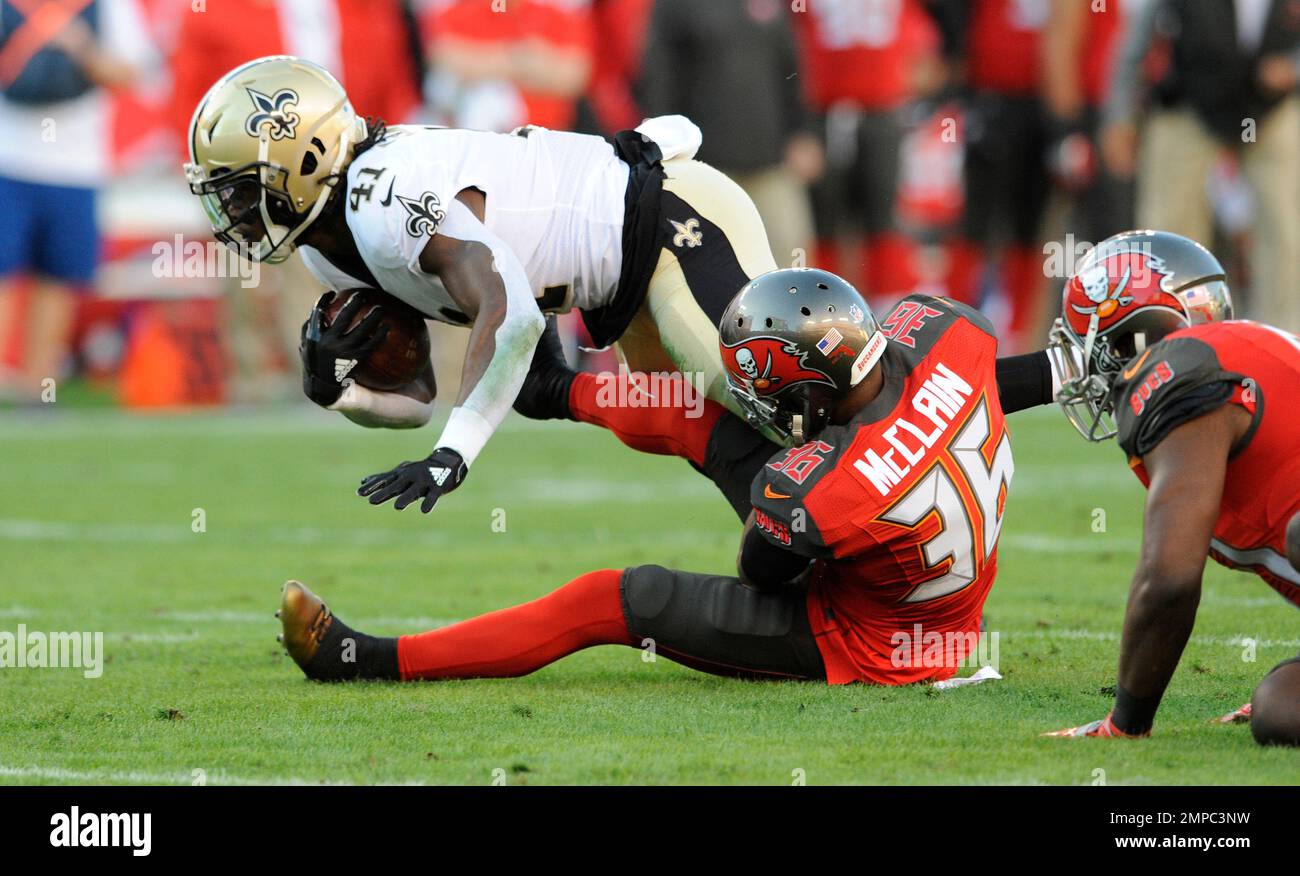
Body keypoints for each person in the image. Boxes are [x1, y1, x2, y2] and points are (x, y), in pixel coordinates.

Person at [277, 268, 1060, 687]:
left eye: (778, 392)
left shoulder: (829, 486)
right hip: (914, 566)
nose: (769, 404)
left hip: (872, 642)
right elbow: (991, 386)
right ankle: (554, 390)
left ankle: (371, 659)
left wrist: (791, 479)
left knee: (613, 598)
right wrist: (1068, 369)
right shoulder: (954, 337)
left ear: (816, 388)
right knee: (703, 418)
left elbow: (763, 566)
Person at [184, 55, 783, 514]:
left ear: (308, 159)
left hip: (669, 219)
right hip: (620, 281)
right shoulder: (329, 250)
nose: (234, 210)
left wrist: (454, 455)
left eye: (242, 188)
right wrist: (342, 395)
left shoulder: (382, 197)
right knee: (702, 434)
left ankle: (868, 487)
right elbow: (419, 397)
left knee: (767, 395)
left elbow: (512, 312)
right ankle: (795, 558)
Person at [1043, 230, 1299, 746]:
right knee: (1283, 710)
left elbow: (1170, 580)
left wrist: (1126, 722)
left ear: (1136, 335)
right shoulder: (1236, 357)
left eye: (1095, 340)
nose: (1088, 365)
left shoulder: (1177, 372)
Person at [1101, 0, 1300, 331]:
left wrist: (1293, 67)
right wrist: (1120, 116)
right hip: (1189, 100)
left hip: (1268, 108)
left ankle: (1286, 344)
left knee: (1285, 229)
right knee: (1167, 234)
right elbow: (1138, 39)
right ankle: (1167, 336)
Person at [0, 0, 155, 400]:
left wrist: (80, 47)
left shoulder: (109, 7)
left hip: (76, 163)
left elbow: (134, 72)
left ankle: (37, 391)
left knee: (60, 277)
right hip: (7, 156)